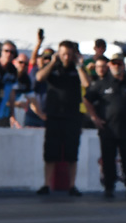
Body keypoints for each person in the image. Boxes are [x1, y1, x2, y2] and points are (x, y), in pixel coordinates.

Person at [84, 53, 126, 200]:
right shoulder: (102, 83)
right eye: (114, 63)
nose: (117, 66)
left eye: (119, 63)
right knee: (108, 160)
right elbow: (87, 100)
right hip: (108, 128)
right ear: (110, 65)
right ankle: (109, 187)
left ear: (123, 65)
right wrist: (94, 117)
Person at [34, 40, 91, 196]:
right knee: (50, 152)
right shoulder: (53, 68)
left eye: (69, 54)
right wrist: (52, 62)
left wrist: (79, 65)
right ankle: (46, 184)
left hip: (72, 116)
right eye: (64, 54)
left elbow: (86, 83)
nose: (66, 57)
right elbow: (39, 77)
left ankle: (72, 185)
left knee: (72, 153)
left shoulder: (77, 68)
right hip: (54, 115)